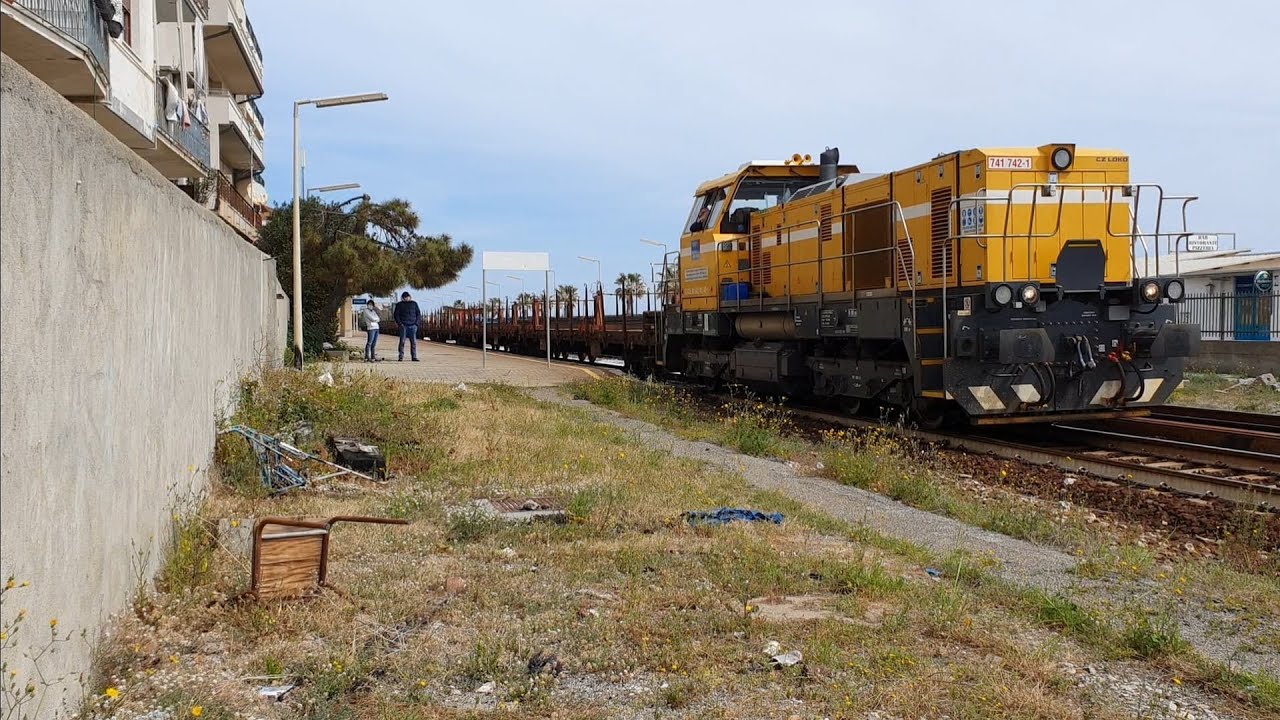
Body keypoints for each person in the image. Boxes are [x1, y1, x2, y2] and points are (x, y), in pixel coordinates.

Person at [393, 291, 421, 361]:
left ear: (410, 297)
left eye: (407, 297)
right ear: (402, 298)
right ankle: (401, 356)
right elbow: (396, 315)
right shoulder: (399, 305)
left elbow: (418, 314)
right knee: (402, 342)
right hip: (404, 326)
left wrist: (416, 324)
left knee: (413, 342)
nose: (406, 298)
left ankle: (414, 356)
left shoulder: (414, 304)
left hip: (413, 326)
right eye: (405, 297)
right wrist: (400, 324)